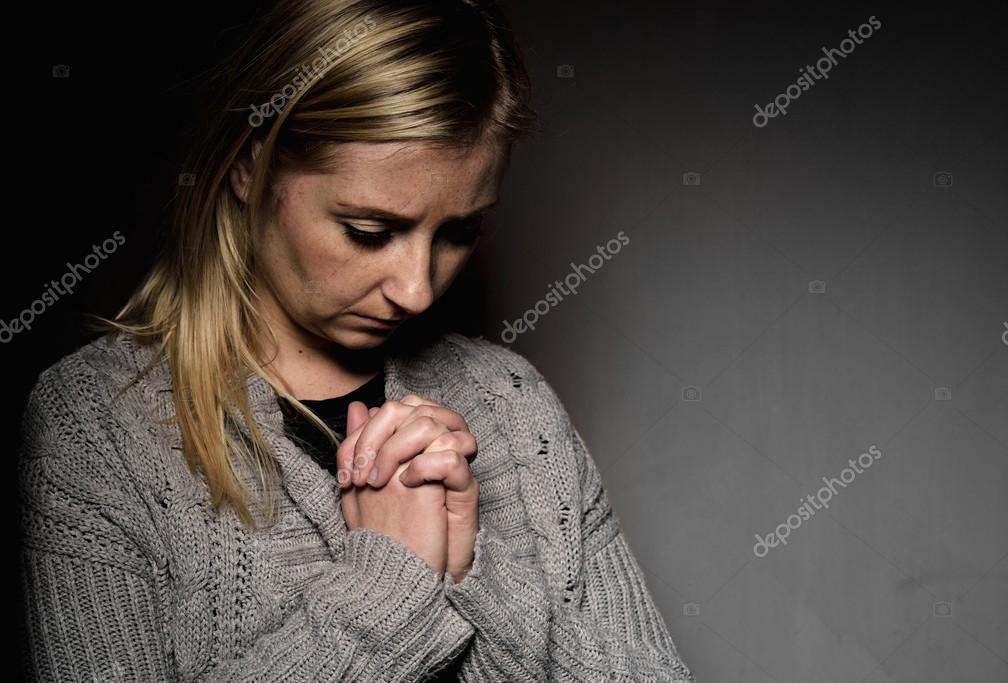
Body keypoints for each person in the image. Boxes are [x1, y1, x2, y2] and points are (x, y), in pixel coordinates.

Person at [17, 0, 696, 680]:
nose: (417, 290)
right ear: (250, 166)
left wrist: (472, 575)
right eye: (370, 232)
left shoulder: (515, 404)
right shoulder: (97, 424)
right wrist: (391, 583)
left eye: (459, 232)